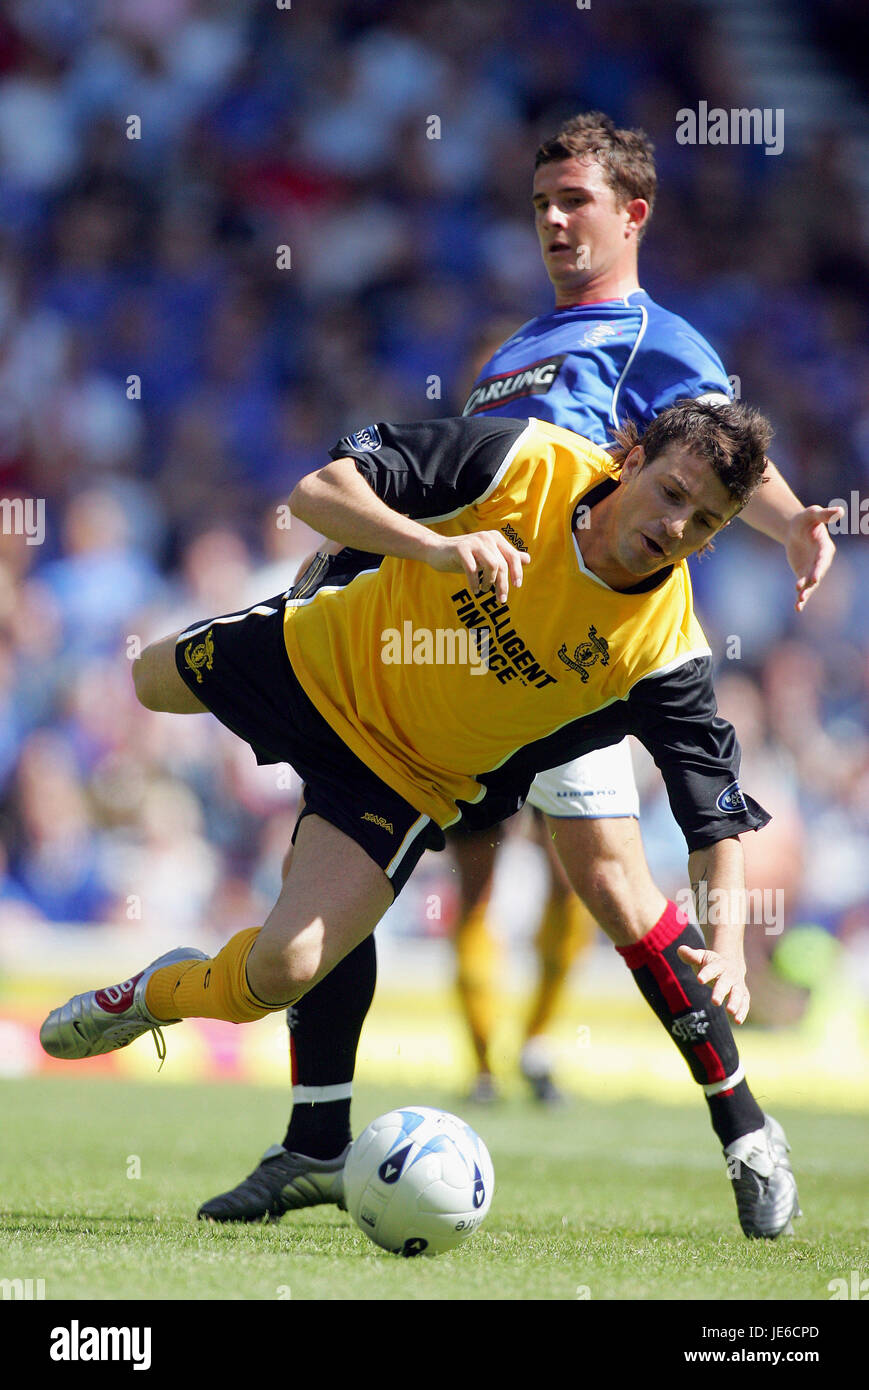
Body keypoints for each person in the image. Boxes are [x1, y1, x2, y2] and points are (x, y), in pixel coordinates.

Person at [189, 111, 840, 1221]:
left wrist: (786, 528)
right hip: (445, 636)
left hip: (566, 643)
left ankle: (745, 1129)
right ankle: (313, 1141)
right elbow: (440, 484)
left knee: (610, 883)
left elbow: (725, 452)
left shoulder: (651, 336)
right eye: (540, 201)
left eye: (574, 200)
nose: (551, 220)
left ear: (632, 213)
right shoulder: (517, 350)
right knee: (340, 844)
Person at [42, 398, 801, 1239]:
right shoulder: (521, 460)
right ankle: (314, 1140)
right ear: (628, 461)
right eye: (670, 493)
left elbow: (713, 824)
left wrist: (727, 946)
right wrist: (436, 546)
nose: (676, 527)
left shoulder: (666, 653)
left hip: (402, 780)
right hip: (311, 655)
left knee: (283, 969)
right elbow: (318, 492)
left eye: (705, 522)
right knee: (147, 679)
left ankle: (152, 993)